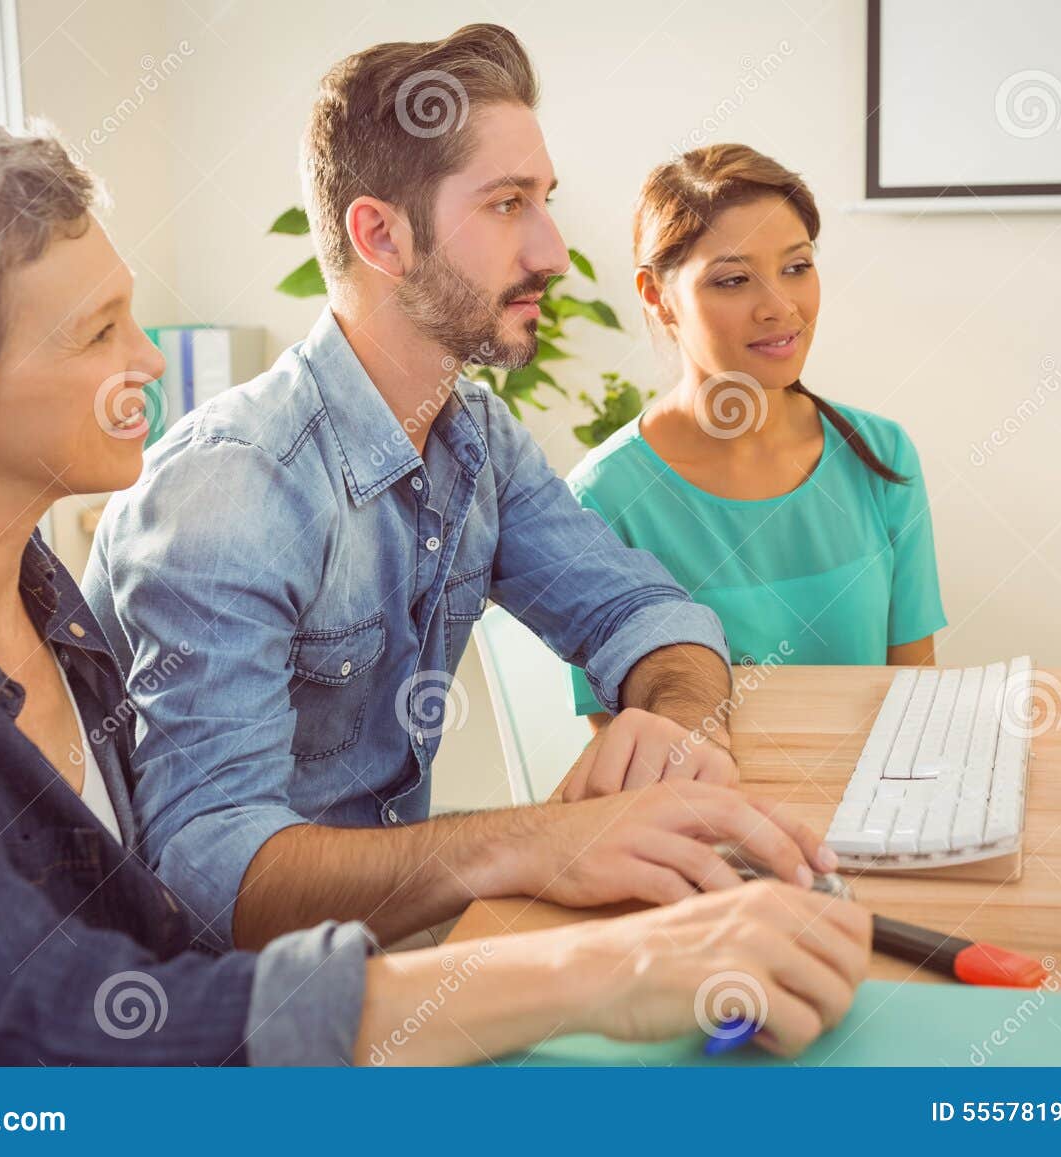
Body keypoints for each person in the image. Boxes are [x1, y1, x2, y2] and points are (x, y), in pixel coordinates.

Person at [0, 123, 870, 1065]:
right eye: (96, 332)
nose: (150, 362)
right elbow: (60, 1026)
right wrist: (601, 961)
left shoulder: (36, 595)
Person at [81, 24, 838, 954]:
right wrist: (535, 842)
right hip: (236, 1034)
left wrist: (675, 719)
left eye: (545, 201)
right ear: (382, 236)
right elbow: (210, 878)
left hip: (394, 970)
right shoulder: (234, 488)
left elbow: (648, 611)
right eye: (509, 204)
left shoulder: (475, 438)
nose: (554, 250)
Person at [565, 144, 946, 755]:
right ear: (657, 296)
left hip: (878, 817)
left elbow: (916, 694)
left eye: (797, 267)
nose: (780, 307)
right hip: (707, 828)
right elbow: (626, 746)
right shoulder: (604, 500)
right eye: (734, 280)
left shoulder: (882, 455)